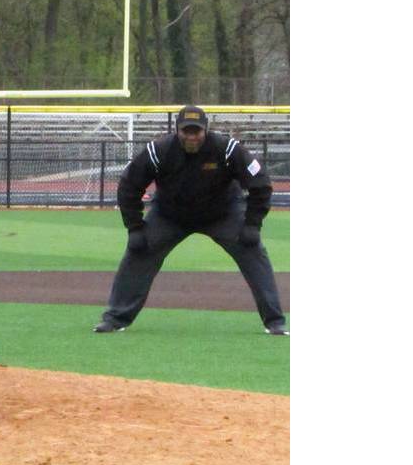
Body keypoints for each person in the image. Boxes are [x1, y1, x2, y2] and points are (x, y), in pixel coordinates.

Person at [92, 105, 289, 336]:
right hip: (170, 215)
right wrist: (134, 227)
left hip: (222, 214)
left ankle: (274, 321)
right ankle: (115, 318)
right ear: (177, 131)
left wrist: (252, 224)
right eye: (186, 131)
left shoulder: (226, 149)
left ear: (205, 130)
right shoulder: (159, 151)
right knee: (138, 252)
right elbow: (129, 185)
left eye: (196, 131)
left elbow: (261, 184)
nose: (191, 136)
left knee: (253, 251)